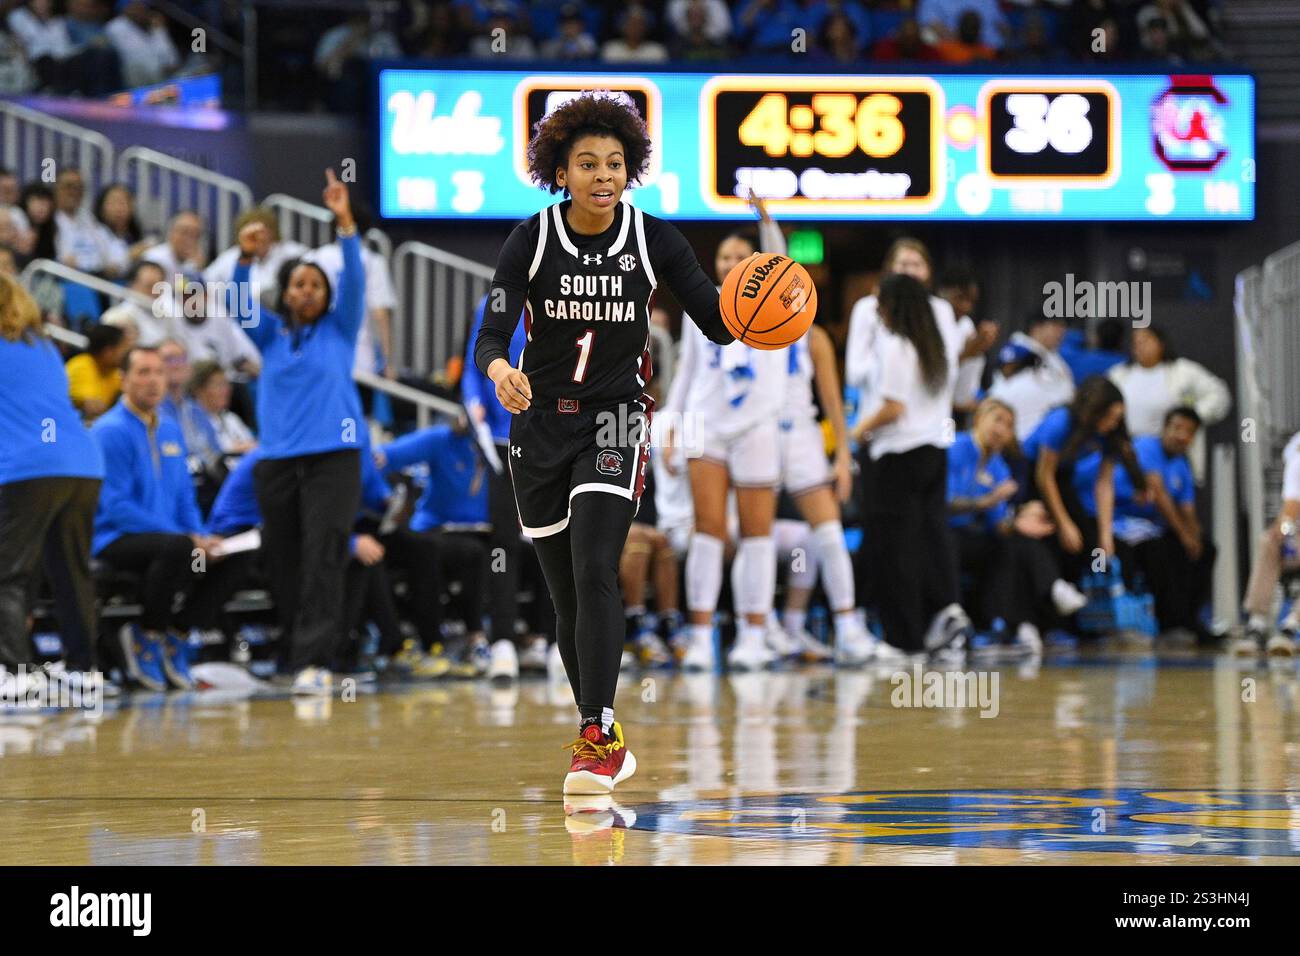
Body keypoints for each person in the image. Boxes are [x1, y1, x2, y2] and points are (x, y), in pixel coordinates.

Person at [474, 93, 737, 795]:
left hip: (616, 417)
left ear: (630, 171)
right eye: (587, 163)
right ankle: (608, 740)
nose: (603, 175)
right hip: (539, 425)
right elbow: (492, 332)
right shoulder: (530, 238)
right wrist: (501, 369)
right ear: (560, 171)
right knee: (566, 599)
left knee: (596, 566)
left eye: (615, 164)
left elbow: (715, 321)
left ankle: (594, 730)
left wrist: (761, 307)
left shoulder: (655, 239)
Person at [233, 170, 364, 697]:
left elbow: (353, 279)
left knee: (322, 556)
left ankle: (317, 661)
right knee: (284, 558)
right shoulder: (269, 336)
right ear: (285, 292)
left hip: (334, 459)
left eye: (315, 285)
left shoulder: (339, 326)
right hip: (277, 462)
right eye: (297, 284)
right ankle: (293, 654)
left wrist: (344, 223)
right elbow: (239, 308)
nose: (306, 291)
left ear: (326, 296)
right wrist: (244, 258)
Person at [661, 195, 787, 673]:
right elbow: (686, 374)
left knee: (757, 535)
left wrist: (766, 220)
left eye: (741, 257)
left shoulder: (776, 300)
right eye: (724, 258)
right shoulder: (702, 305)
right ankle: (700, 637)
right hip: (707, 423)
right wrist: (672, 427)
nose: (732, 263)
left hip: (757, 423)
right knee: (708, 533)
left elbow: (781, 262)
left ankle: (753, 634)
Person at [851, 273, 973, 657]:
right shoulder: (934, 344)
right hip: (932, 452)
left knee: (896, 550)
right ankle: (938, 620)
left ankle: (903, 640)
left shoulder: (895, 344)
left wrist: (857, 431)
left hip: (898, 456)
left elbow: (893, 407)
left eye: (880, 304)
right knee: (925, 541)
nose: (878, 313)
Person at [91, 346, 218, 691]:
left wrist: (200, 535)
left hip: (174, 543)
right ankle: (145, 635)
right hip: (117, 539)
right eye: (143, 372)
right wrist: (183, 537)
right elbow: (114, 505)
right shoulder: (108, 431)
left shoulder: (172, 430)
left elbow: (185, 498)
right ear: (122, 380)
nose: (153, 381)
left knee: (225, 558)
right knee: (179, 548)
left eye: (159, 373)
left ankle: (176, 634)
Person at [0, 275, 105, 694]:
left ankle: (11, 673)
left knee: (7, 575)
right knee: (72, 572)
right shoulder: (42, 347)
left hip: (29, 469)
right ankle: (83, 671)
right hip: (82, 464)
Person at [947, 398, 1087, 655]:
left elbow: (999, 526)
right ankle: (1046, 595)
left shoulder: (1000, 468)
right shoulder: (957, 447)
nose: (1002, 429)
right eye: (997, 419)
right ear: (979, 418)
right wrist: (986, 501)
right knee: (959, 545)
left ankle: (1014, 624)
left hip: (976, 537)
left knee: (1016, 544)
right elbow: (944, 504)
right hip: (944, 534)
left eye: (1009, 425)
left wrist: (1019, 522)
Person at [1074, 406, 1216, 642]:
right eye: (1177, 428)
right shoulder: (1146, 447)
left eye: (1189, 432)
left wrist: (1195, 538)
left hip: (1148, 529)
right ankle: (1146, 623)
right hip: (1115, 523)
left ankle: (1189, 621)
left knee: (1204, 550)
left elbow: (1187, 509)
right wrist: (1184, 535)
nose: (1182, 435)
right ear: (1165, 428)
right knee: (1156, 553)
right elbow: (1159, 494)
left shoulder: (1182, 464)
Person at [1022, 376, 1147, 587]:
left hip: (1064, 477)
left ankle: (1099, 580)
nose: (1112, 424)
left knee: (1091, 540)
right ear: (1094, 411)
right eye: (1109, 417)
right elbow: (1045, 475)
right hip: (1032, 475)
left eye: (1117, 418)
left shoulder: (1111, 434)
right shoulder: (1060, 422)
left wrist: (1105, 536)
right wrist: (1063, 524)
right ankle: (1053, 602)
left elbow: (1104, 484)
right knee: (1060, 537)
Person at [1107, 324, 1229, 480]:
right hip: (1131, 452)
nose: (1140, 346)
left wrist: (1191, 419)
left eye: (1145, 341)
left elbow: (1219, 394)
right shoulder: (1119, 374)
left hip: (1172, 454)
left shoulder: (1183, 371)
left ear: (1160, 343)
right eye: (1136, 343)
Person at [1238, 430, 1300, 658]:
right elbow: (1291, 508)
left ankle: (1293, 625)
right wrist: (1284, 532)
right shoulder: (1297, 455)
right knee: (1269, 541)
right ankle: (1257, 623)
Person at [988, 312, 1075, 442]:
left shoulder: (1056, 358)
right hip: (1017, 430)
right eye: (1056, 326)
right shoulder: (1018, 349)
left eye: (1063, 327)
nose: (1061, 331)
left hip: (1043, 431)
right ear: (1037, 327)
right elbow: (1002, 390)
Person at [104, 0, 179, 88]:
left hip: (163, 79)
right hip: (134, 83)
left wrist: (159, 32)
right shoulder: (115, 27)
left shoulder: (153, 24)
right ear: (125, 9)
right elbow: (138, 58)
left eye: (143, 7)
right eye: (135, 6)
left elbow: (172, 60)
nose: (140, 10)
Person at [100, 259, 171, 346]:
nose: (155, 292)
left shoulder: (166, 313)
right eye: (149, 286)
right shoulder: (116, 316)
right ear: (132, 285)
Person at [65, 322, 127, 421]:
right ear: (108, 351)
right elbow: (93, 409)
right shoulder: (81, 366)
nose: (125, 354)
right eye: (122, 348)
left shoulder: (113, 372)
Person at [142, 210, 206, 282]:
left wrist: (198, 270)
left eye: (196, 234)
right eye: (185, 232)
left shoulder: (192, 264)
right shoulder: (154, 258)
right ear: (171, 233)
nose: (190, 239)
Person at [1060, 316, 1126, 385]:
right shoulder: (1125, 365)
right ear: (1122, 341)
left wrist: (1082, 337)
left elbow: (1062, 345)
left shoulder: (1078, 360)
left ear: (1097, 338)